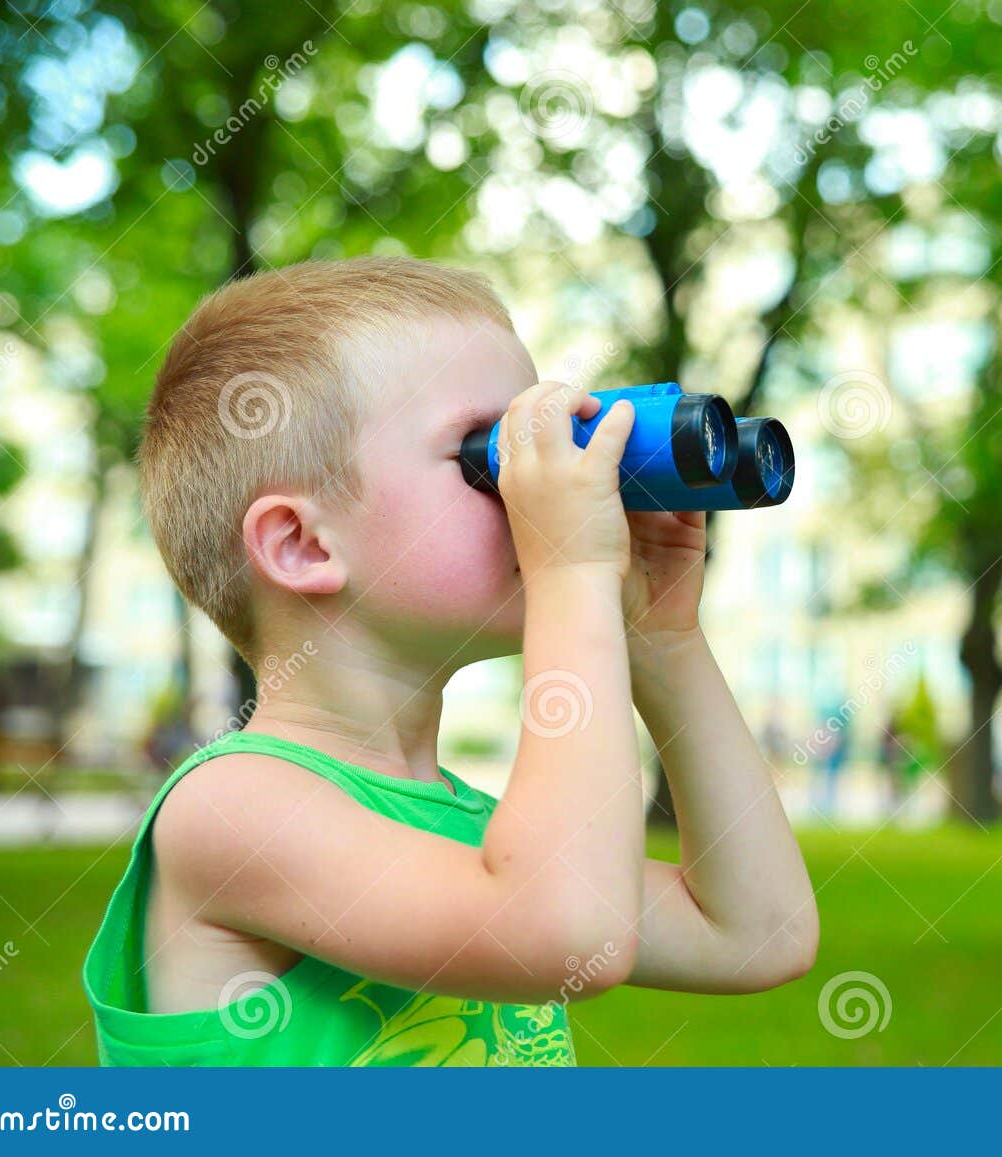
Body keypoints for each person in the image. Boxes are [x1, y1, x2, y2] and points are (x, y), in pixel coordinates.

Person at [83, 257, 818, 1066]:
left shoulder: (476, 833)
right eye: (486, 453)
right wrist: (572, 573)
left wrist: (662, 642)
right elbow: (565, 931)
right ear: (301, 543)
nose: (534, 488)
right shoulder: (229, 811)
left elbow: (757, 933)